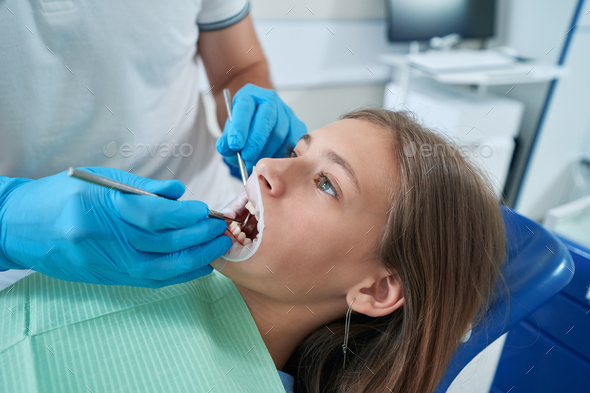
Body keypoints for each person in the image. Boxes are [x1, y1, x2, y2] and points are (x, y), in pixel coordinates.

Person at [0, 109, 509, 393]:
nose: (265, 166)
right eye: (295, 152)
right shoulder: (125, 254)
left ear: (376, 289)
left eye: (327, 184)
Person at [0, 1, 306, 288]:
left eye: (327, 183)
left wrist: (248, 114)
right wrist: (9, 219)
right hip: (27, 273)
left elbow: (237, 68)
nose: (268, 169)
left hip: (208, 213)